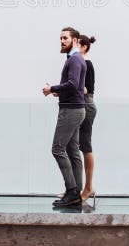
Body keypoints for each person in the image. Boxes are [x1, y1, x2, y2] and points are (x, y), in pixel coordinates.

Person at [42, 27, 87, 208]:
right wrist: (59, 93)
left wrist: (52, 89)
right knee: (73, 151)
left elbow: (73, 84)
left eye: (65, 38)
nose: (62, 41)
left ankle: (72, 190)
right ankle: (75, 192)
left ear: (75, 40)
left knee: (57, 148)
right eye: (60, 38)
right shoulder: (76, 59)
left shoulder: (75, 59)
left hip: (71, 111)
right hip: (75, 109)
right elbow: (74, 87)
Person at [78, 34, 97, 203]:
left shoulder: (86, 64)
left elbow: (87, 89)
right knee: (77, 146)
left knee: (85, 146)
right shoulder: (80, 62)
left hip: (86, 105)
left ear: (83, 46)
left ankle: (89, 187)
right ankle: (76, 189)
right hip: (80, 104)